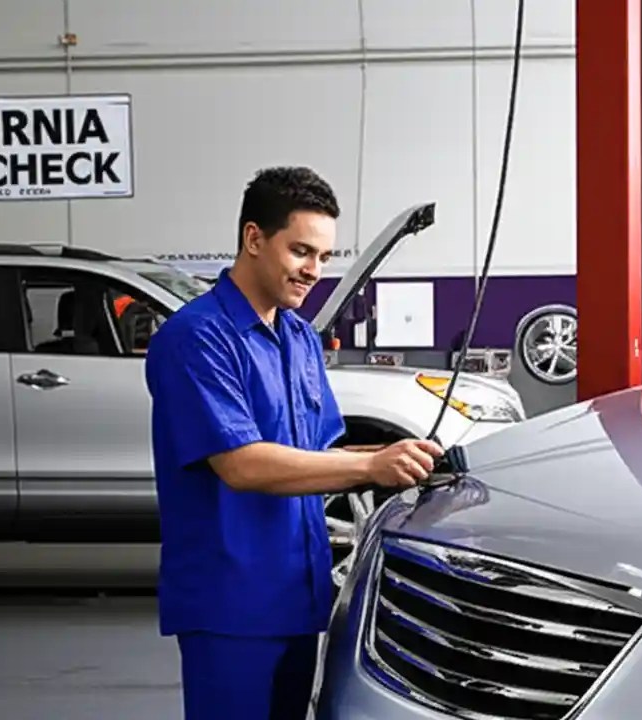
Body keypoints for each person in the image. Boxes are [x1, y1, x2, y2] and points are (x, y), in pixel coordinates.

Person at [144, 166, 445, 720]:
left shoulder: (299, 338)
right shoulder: (195, 339)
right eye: (301, 251)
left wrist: (409, 461)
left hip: (297, 598)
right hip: (230, 604)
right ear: (253, 238)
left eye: (325, 257)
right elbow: (242, 465)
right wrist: (371, 466)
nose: (314, 271)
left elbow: (316, 453)